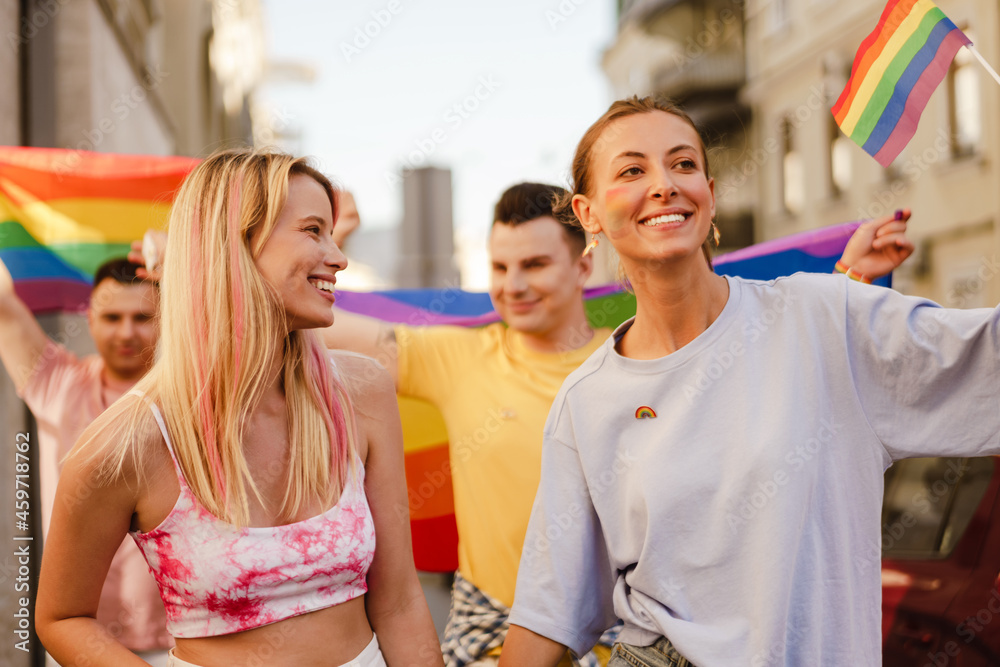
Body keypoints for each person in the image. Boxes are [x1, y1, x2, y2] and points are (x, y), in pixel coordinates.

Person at [322, 179, 911, 667]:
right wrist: (331, 244)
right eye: (499, 267)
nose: (513, 285)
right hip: (495, 639)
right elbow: (317, 328)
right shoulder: (452, 358)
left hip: (625, 640)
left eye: (532, 264)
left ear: (582, 266)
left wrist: (850, 284)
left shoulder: (640, 359)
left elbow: (772, 373)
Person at [499, 96, 1000, 667]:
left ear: (709, 193)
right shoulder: (585, 403)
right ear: (588, 214)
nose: (664, 184)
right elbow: (548, 615)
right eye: (633, 170)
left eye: (683, 165)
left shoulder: (828, 319)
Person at [35, 149, 443, 667]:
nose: (339, 257)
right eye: (314, 230)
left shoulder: (363, 391)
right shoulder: (126, 441)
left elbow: (402, 601)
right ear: (235, 247)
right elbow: (62, 617)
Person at [0, 255, 171, 664]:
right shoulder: (58, 384)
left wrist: (186, 265)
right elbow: (3, 304)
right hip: (78, 636)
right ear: (89, 319)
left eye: (142, 317)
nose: (126, 332)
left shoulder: (194, 395)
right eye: (111, 317)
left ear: (168, 319)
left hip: (178, 638)